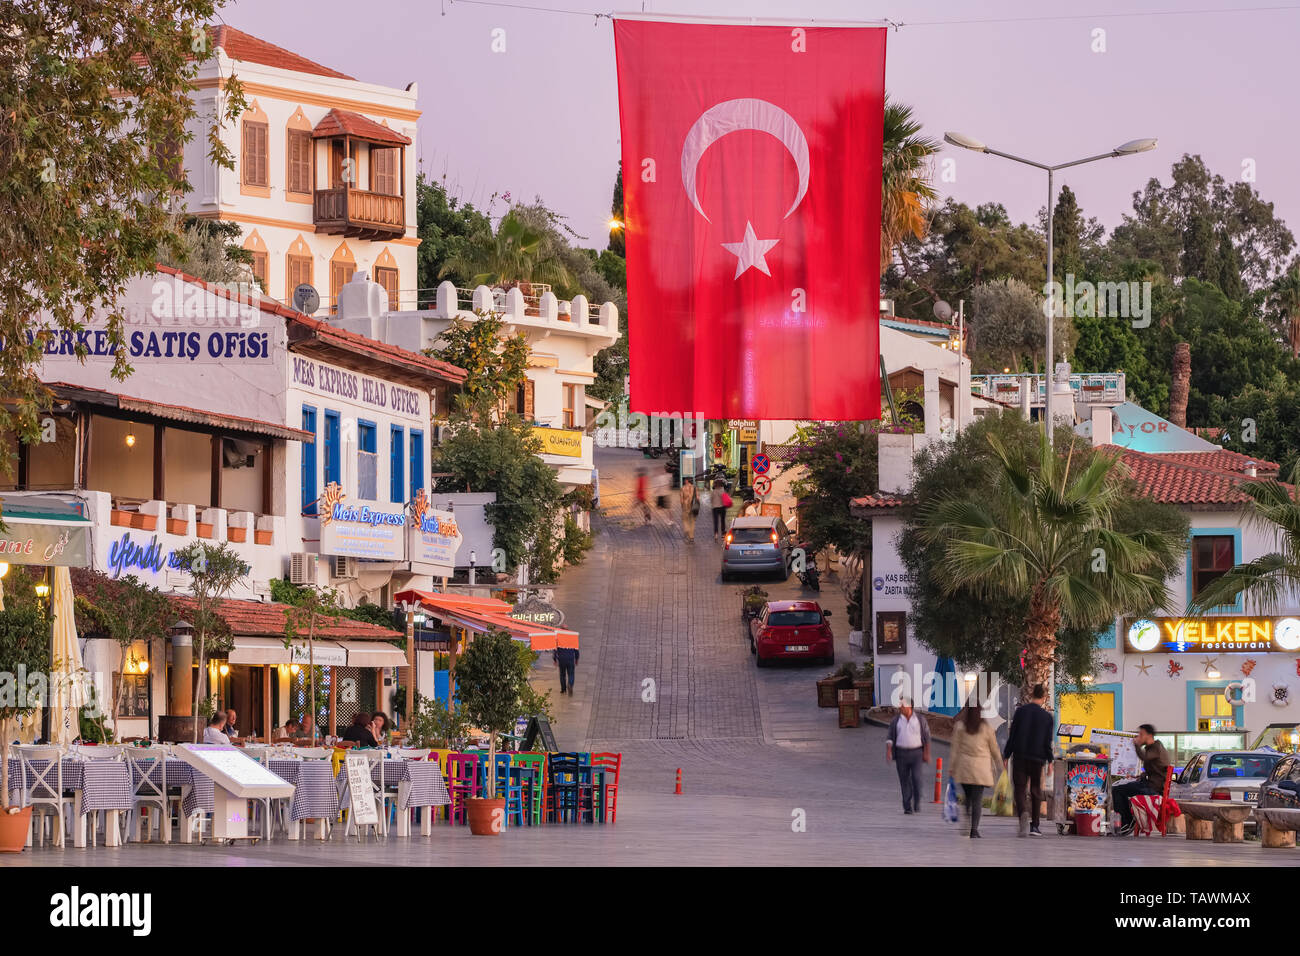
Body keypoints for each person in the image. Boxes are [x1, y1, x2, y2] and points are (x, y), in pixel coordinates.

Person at [1003, 683, 1055, 837]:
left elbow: (1012, 736)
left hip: (1020, 755)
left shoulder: (1020, 712)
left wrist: (1006, 755)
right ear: (1044, 697)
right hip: (1037, 758)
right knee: (1036, 790)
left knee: (1019, 789)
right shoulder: (1047, 717)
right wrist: (1050, 761)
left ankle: (1023, 815)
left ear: (1032, 694)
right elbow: (1047, 742)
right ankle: (1035, 826)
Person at [950, 701, 1004, 838]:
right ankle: (974, 829)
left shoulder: (960, 727)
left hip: (964, 768)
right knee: (977, 800)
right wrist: (1000, 763)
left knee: (968, 797)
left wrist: (952, 767)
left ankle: (966, 820)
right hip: (981, 770)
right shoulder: (986, 728)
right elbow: (994, 748)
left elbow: (955, 749)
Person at [1112, 724, 1170, 835]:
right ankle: (1128, 821)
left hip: (1153, 789)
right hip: (1149, 785)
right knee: (1120, 787)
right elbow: (1153, 770)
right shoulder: (1153, 748)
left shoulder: (1156, 747)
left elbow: (1144, 757)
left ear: (1149, 736)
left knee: (1118, 790)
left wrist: (1136, 745)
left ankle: (1127, 823)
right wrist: (1140, 776)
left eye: (1141, 734)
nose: (1139, 737)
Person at [885, 697, 930, 814]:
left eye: (902, 705)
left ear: (909, 706)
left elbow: (926, 737)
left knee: (916, 778)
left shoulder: (920, 719)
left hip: (917, 754)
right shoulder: (896, 721)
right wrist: (889, 751)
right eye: (900, 705)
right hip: (901, 754)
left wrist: (926, 753)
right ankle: (907, 806)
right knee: (904, 780)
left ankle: (917, 800)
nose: (900, 707)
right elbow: (890, 736)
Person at [679, 476, 699, 543]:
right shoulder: (695, 488)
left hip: (685, 506)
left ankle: (687, 529)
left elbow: (681, 500)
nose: (684, 481)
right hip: (693, 507)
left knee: (685, 520)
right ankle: (691, 537)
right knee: (692, 522)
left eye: (685, 480)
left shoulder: (683, 488)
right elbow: (698, 498)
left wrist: (682, 507)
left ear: (687, 481)